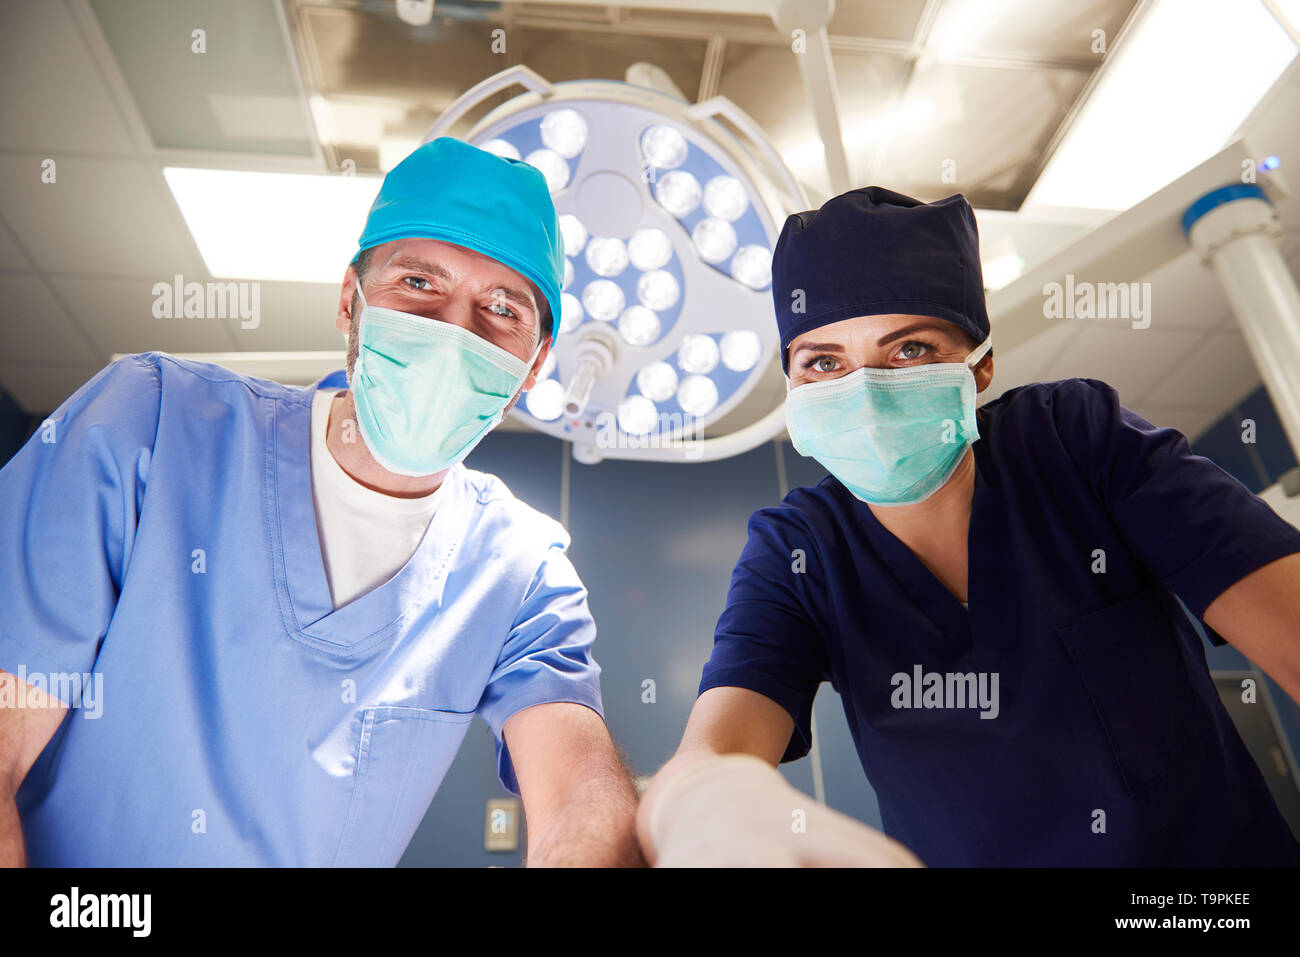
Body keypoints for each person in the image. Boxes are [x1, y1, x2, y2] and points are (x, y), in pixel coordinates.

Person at [0, 137, 643, 867]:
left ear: (533, 366)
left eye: (502, 309)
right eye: (419, 284)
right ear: (350, 301)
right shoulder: (149, 425)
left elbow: (580, 794)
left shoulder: (521, 573)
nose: (452, 334)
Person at [637, 186, 1300, 867]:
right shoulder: (799, 550)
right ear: (794, 385)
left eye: (909, 350)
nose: (863, 393)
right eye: (824, 362)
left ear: (980, 365)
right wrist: (708, 808)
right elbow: (710, 753)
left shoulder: (1076, 442)